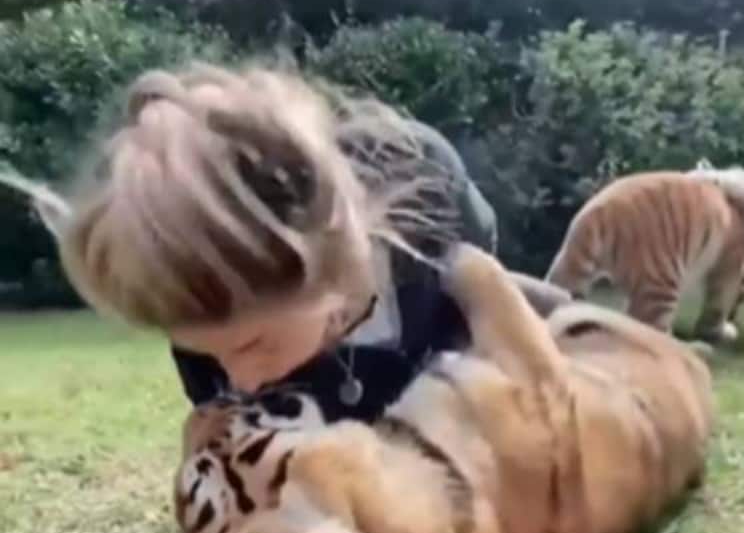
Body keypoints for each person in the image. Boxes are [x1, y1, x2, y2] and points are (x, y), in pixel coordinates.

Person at [5, 63, 567, 421]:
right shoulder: (215, 355)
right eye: (207, 355)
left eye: (253, 345)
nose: (239, 381)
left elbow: (474, 260)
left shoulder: (428, 198)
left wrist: (486, 298)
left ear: (333, 271)